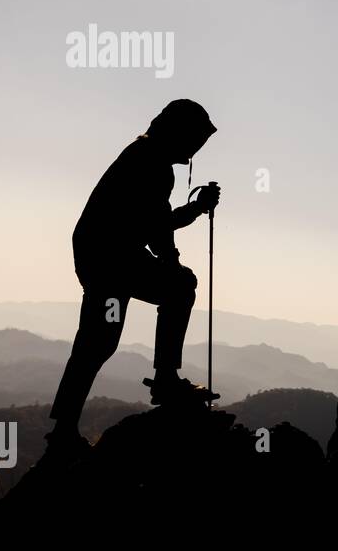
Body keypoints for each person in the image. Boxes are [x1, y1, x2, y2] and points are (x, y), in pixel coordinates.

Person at [46, 99, 222, 456]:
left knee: (98, 340)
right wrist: (175, 251)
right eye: (194, 140)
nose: (194, 149)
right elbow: (157, 226)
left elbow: (155, 221)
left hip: (106, 255)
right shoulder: (153, 163)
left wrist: (191, 216)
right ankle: (165, 381)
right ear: (179, 134)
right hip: (113, 259)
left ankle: (64, 428)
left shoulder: (145, 155)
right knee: (105, 336)